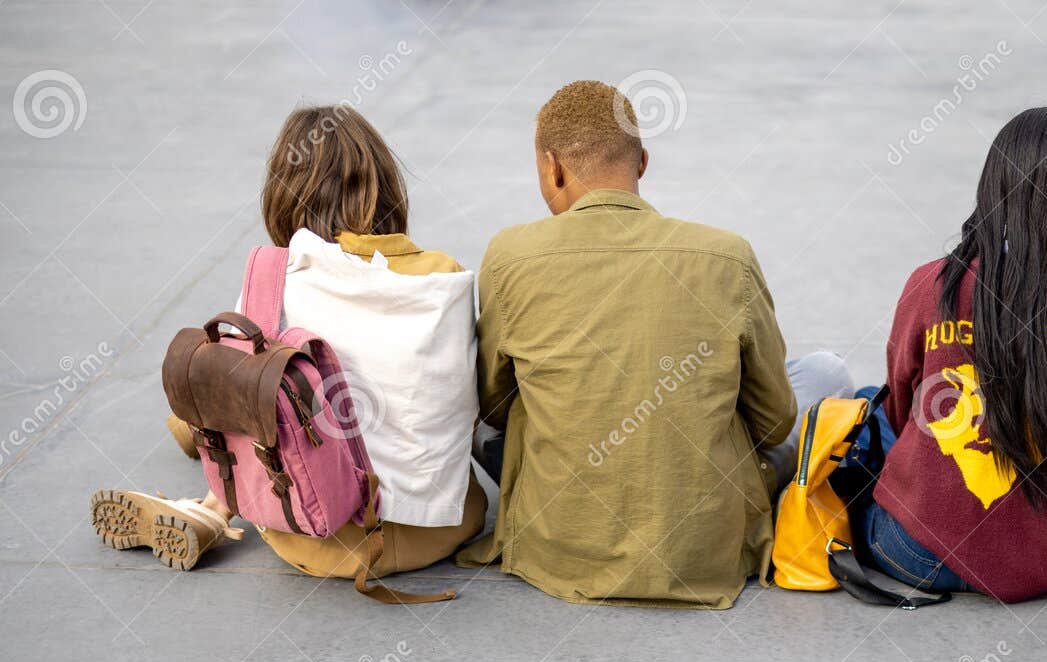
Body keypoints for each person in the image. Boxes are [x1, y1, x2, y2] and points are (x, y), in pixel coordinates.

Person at [459, 80, 852, 609]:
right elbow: (776, 421)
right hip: (703, 550)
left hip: (555, 546)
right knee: (827, 373)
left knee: (461, 393)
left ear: (551, 168)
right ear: (642, 162)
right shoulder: (727, 255)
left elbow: (493, 407)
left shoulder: (510, 255)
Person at [89, 106, 486, 581]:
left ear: (283, 194)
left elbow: (249, 384)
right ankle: (194, 441)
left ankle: (211, 502)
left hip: (313, 538)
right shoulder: (443, 276)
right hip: (441, 532)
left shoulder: (273, 279)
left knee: (251, 386)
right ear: (387, 185)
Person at [859, 107, 1047, 602]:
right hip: (1045, 565)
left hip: (913, 552)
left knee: (866, 404)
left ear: (993, 187)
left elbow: (900, 402)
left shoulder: (932, 285)